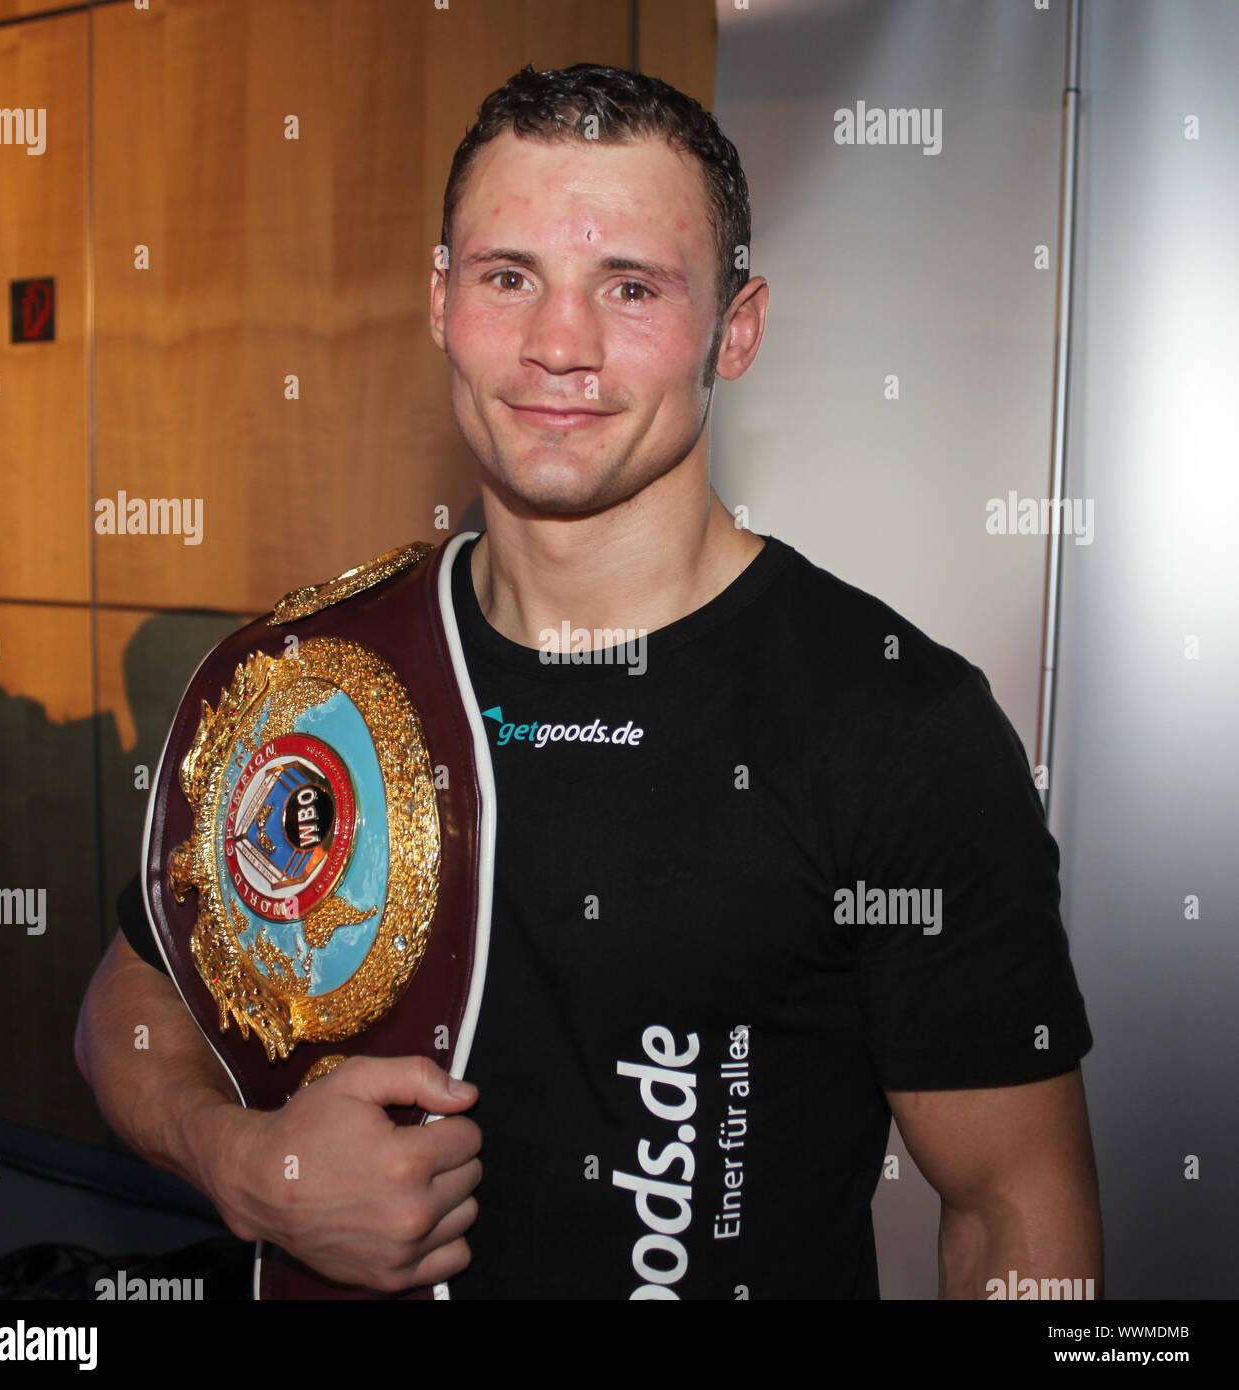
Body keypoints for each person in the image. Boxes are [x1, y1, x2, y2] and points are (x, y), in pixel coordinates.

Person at [75, 62, 1100, 1300]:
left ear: (738, 326)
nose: (559, 344)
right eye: (511, 278)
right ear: (443, 301)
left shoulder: (894, 725)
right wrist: (243, 1163)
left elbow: (1011, 1211)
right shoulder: (308, 676)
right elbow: (130, 1004)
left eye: (631, 286)